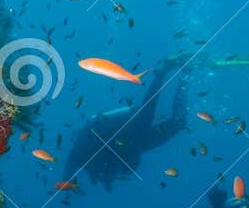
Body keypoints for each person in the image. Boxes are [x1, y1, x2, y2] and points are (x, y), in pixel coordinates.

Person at [64, 56, 189, 191]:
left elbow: (69, 168)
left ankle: (165, 70)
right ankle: (185, 77)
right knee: (178, 123)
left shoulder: (80, 154)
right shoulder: (93, 164)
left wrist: (66, 182)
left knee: (148, 110)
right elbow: (69, 172)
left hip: (127, 131)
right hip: (139, 144)